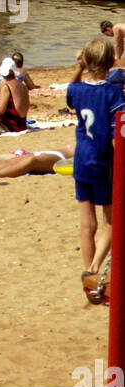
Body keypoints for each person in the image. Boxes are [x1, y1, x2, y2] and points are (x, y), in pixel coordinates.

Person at [67, 38, 125, 291]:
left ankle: (87, 274)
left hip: (82, 159)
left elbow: (71, 89)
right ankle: (93, 269)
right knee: (110, 221)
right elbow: (116, 137)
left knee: (86, 224)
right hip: (103, 162)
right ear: (111, 61)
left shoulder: (77, 91)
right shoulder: (112, 94)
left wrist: (79, 66)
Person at [0, 57, 30, 131]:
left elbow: (0, 111)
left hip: (12, 126)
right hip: (22, 124)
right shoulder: (22, 85)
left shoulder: (7, 87)